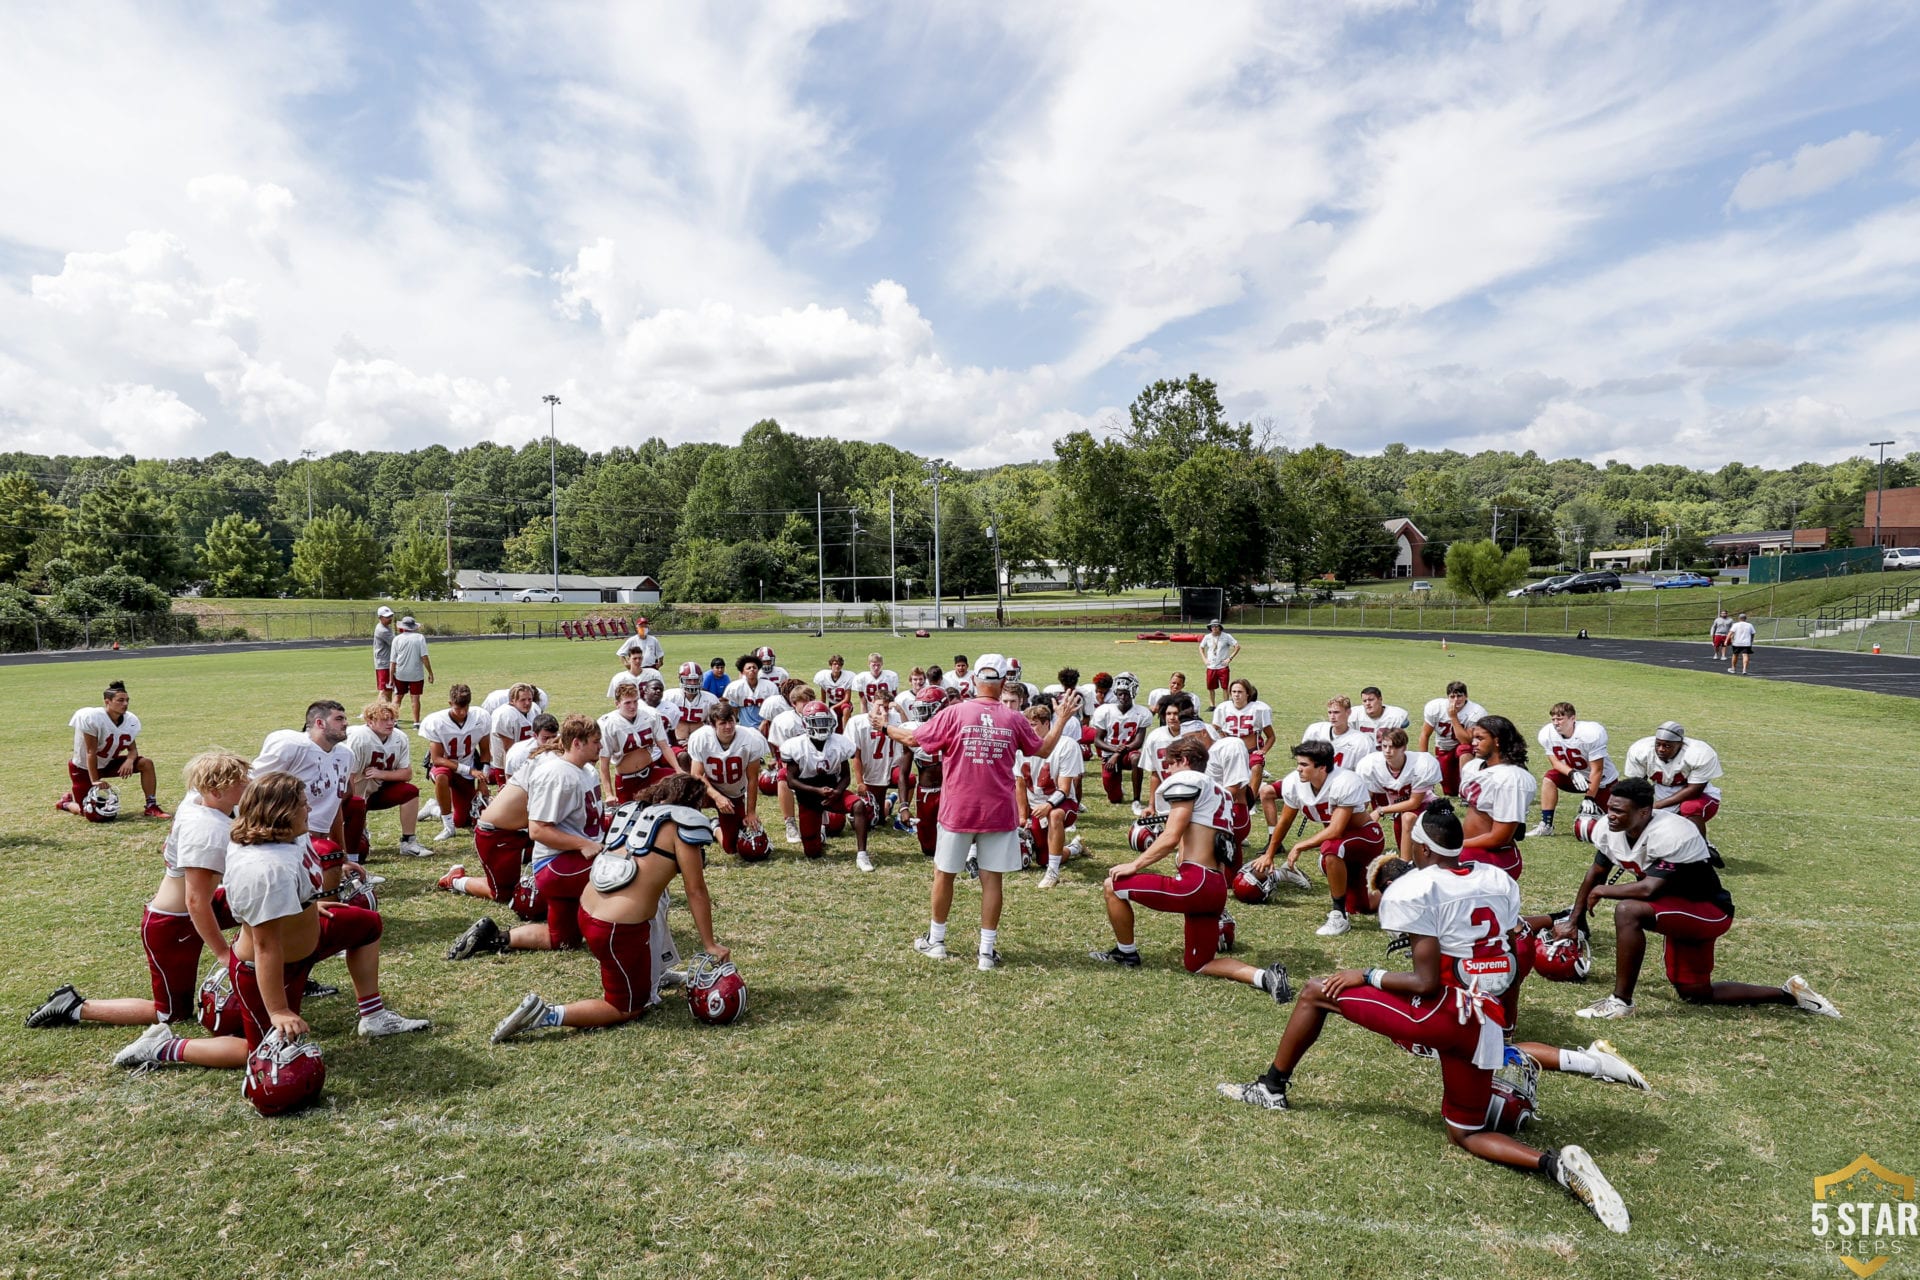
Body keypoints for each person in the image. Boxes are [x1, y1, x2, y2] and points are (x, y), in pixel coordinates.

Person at [1217, 801, 1630, 1236]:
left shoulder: (1414, 888)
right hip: (1484, 1017)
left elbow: (1425, 982)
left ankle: (1271, 1088)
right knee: (1465, 1131)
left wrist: (1368, 973)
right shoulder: (1495, 877)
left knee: (1315, 991)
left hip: (1443, 1011)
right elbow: (1506, 944)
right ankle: (1555, 1165)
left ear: (1424, 847)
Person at [28, 751, 253, 1073]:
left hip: (199, 908)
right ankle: (76, 1006)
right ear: (216, 791)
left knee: (268, 908)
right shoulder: (208, 829)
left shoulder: (201, 800)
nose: (248, 787)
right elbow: (194, 902)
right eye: (241, 783)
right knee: (171, 1013)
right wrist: (221, 952)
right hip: (173, 924)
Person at [1562, 779, 1839, 1022]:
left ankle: (1621, 1002)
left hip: (1707, 910)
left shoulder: (1673, 831)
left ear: (1644, 812)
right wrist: (1574, 920)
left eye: (1618, 810)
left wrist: (1602, 892)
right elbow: (1596, 873)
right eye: (1610, 808)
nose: (1610, 815)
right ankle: (1789, 995)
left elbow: (1648, 889)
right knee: (1695, 993)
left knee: (1628, 911)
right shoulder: (1608, 829)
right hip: (1673, 908)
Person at [879, 654, 1080, 972]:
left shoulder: (955, 712)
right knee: (991, 880)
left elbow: (914, 739)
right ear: (1002, 684)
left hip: (959, 809)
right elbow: (1043, 749)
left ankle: (938, 942)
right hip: (998, 812)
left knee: (944, 874)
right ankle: (986, 953)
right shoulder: (1014, 718)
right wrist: (1063, 719)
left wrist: (885, 727)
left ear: (974, 681)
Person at [491, 775, 729, 1043]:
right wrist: (710, 944)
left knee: (658, 899)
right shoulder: (681, 825)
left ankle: (656, 974)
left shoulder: (635, 812)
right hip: (615, 928)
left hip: (589, 910)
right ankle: (546, 1014)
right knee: (626, 1008)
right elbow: (695, 890)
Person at [221, 771, 428, 1050]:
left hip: (309, 938)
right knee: (261, 1055)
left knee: (367, 924)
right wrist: (279, 1011)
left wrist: (309, 905)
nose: (309, 808)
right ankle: (167, 1047)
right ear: (280, 812)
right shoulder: (264, 869)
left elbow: (297, 880)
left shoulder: (289, 835)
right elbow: (266, 945)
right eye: (302, 804)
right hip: (273, 967)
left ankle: (374, 1016)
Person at [1093, 735, 1291, 998]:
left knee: (1112, 886)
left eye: (1170, 764)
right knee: (1200, 964)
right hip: (1216, 886)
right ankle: (1265, 977)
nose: (1167, 770)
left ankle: (1125, 953)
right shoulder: (1220, 791)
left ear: (1184, 761)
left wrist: (1135, 864)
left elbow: (1172, 837)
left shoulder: (1188, 780)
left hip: (1194, 881)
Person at [447, 715, 605, 961]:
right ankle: (455, 881)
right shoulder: (555, 773)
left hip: (554, 849)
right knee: (618, 871)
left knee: (563, 940)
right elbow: (539, 830)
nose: (601, 746)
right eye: (596, 741)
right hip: (544, 854)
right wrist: (584, 843)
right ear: (576, 743)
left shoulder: (585, 770)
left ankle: (494, 937)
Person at [1250, 740, 1384, 937]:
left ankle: (1338, 916)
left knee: (1330, 849)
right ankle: (1394, 886)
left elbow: (1337, 829)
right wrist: (1269, 854)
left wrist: (1300, 846)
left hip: (1366, 837)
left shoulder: (1345, 781)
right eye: (1298, 763)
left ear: (1322, 767)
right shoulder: (1294, 783)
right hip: (1340, 844)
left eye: (1304, 765)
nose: (1298, 769)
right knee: (1362, 906)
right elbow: (1285, 821)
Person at [437, 712, 557, 904]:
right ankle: (456, 880)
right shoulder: (521, 754)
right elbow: (510, 789)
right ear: (534, 735)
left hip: (527, 825)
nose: (550, 743)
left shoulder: (562, 763)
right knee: (504, 895)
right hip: (505, 830)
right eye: (546, 738)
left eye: (554, 738)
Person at [253, 701, 353, 896]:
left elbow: (335, 806)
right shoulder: (294, 746)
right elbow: (254, 788)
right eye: (339, 719)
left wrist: (344, 856)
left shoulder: (345, 754)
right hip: (283, 837)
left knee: (330, 854)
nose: (346, 723)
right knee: (327, 855)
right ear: (320, 723)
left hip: (316, 838)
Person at [782, 701, 874, 868]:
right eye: (817, 722)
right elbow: (791, 781)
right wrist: (817, 791)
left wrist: (838, 792)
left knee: (859, 805)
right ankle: (819, 835)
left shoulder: (839, 742)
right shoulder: (796, 745)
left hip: (832, 791)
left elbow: (846, 775)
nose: (822, 726)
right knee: (812, 853)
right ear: (806, 723)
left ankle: (862, 855)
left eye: (825, 721)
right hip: (808, 795)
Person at [60, 679, 166, 819]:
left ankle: (151, 805)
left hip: (108, 762)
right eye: (120, 700)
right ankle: (65, 804)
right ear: (107, 701)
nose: (125, 704)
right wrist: (95, 780)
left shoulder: (130, 720)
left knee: (146, 763)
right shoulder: (93, 717)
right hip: (84, 767)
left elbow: (132, 749)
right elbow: (90, 752)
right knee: (88, 812)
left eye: (127, 700)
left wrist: (129, 760)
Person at [1458, 714, 1537, 881]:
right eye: (1474, 738)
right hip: (1470, 848)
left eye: (1480, 738)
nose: (1474, 743)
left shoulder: (1511, 779)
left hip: (1495, 857)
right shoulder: (1474, 766)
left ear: (1497, 740)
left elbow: (1499, 838)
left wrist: (1456, 845)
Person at [686, 701, 767, 857]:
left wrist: (750, 812)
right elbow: (696, 776)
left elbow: (752, 779)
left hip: (733, 793)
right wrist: (717, 797)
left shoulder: (750, 738)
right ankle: (692, 836)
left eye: (731, 721)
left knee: (731, 848)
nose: (728, 726)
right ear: (713, 725)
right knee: (689, 794)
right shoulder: (701, 738)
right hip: (707, 789)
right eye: (723, 723)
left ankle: (715, 826)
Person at [344, 700, 424, 859]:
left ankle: (408, 841)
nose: (390, 723)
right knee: (359, 854)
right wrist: (355, 810)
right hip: (355, 796)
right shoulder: (359, 738)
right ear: (370, 721)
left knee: (410, 791)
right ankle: (359, 833)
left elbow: (407, 773)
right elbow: (349, 777)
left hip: (379, 789)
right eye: (384, 719)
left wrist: (381, 774)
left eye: (392, 719)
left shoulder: (399, 737)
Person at [1622, 721, 1724, 845]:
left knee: (1689, 808)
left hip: (1699, 796)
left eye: (1667, 746)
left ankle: (1701, 848)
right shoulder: (1641, 750)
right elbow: (1636, 785)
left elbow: (1695, 790)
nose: (1661, 749)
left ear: (1680, 744)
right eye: (1658, 744)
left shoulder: (1698, 752)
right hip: (1661, 792)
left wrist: (1657, 806)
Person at [1019, 703, 1085, 889]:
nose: (1028, 729)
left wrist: (1048, 805)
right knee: (1042, 859)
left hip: (1062, 804)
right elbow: (1020, 784)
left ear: (1047, 723)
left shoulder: (1066, 745)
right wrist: (1022, 817)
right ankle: (1074, 849)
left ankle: (1053, 873)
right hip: (1036, 808)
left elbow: (1064, 788)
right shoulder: (1020, 747)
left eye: (1033, 724)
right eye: (1027, 725)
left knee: (1054, 815)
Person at [1529, 702, 1617, 838]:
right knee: (1549, 778)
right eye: (1553, 719)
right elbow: (1555, 762)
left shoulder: (1589, 734)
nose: (1556, 723)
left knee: (1606, 825)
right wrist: (1572, 773)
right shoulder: (1547, 734)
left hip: (1602, 781)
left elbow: (1597, 770)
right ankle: (1546, 825)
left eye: (1560, 719)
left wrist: (1589, 797)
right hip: (1575, 777)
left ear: (1572, 718)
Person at [1354, 728, 1443, 857]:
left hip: (1425, 807)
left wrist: (1380, 810)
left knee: (1408, 818)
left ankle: (1404, 867)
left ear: (1404, 748)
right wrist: (1359, 818)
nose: (1388, 751)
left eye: (1393, 747)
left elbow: (1414, 803)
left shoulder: (1421, 763)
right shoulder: (1371, 764)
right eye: (1384, 746)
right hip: (1398, 810)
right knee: (1407, 845)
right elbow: (1366, 797)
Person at [420, 684, 493, 841]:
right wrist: (470, 770)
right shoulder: (436, 721)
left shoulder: (480, 717)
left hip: (467, 769)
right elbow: (437, 759)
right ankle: (448, 827)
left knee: (463, 820)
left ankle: (433, 808)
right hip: (445, 767)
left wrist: (483, 778)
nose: (462, 712)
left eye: (465, 708)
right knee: (441, 776)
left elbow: (486, 751)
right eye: (457, 708)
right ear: (449, 704)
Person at [598, 681, 678, 803]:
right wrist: (609, 794)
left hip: (651, 772)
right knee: (631, 817)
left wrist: (678, 769)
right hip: (627, 780)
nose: (633, 706)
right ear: (617, 704)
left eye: (635, 701)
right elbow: (604, 764)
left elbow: (664, 746)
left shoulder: (650, 715)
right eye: (627, 703)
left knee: (682, 784)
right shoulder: (608, 724)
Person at [1091, 674, 1154, 806]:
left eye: (1126, 693)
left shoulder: (1142, 713)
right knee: (1114, 798)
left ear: (1133, 693)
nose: (1123, 697)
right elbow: (1097, 740)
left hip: (1128, 754)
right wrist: (1114, 751)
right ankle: (1118, 789)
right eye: (1120, 694)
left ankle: (1136, 800)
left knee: (1136, 758)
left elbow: (1138, 742)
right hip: (1109, 754)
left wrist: (1117, 753)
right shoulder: (1105, 711)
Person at [1419, 680, 1486, 797]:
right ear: (1447, 697)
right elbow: (1425, 734)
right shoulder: (1436, 708)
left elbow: (1466, 741)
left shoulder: (1475, 712)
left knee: (1464, 748)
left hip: (1467, 751)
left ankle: (1467, 790)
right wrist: (1424, 759)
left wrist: (1453, 717)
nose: (1456, 700)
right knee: (1451, 791)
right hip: (1444, 749)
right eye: (1452, 696)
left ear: (1466, 696)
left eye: (1459, 696)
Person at [1302, 695, 1376, 769]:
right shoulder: (1315, 731)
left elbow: (1367, 771)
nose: (1332, 716)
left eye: (1336, 712)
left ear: (1348, 712)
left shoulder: (1362, 742)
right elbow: (1304, 761)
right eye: (1330, 712)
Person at [487, 684, 540, 783]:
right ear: (512, 700)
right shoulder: (504, 714)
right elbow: (508, 748)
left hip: (529, 760)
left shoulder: (535, 710)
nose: (527, 703)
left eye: (530, 699)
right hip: (506, 763)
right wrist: (509, 774)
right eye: (523, 700)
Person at [664, 661, 723, 748]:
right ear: (680, 679)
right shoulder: (669, 697)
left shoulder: (710, 699)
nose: (692, 683)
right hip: (674, 741)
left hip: (701, 742)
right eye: (689, 680)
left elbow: (717, 724)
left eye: (695, 680)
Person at [388, 616, 434, 727]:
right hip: (416, 673)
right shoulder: (419, 638)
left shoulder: (397, 639)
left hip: (400, 673)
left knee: (398, 697)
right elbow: (424, 657)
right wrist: (430, 672)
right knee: (415, 698)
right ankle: (416, 722)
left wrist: (390, 678)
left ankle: (393, 721)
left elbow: (392, 661)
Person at [723, 656, 781, 730]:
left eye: (754, 667)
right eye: (749, 668)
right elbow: (734, 711)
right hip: (744, 727)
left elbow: (773, 710)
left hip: (765, 727)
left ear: (758, 670)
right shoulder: (736, 687)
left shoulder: (769, 686)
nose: (752, 669)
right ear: (742, 672)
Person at [1199, 619, 1240, 710]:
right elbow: (1201, 647)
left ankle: (1226, 705)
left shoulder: (1226, 636)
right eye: (1212, 626)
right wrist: (1204, 659)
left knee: (1225, 687)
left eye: (1216, 626)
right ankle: (1212, 705)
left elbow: (1237, 646)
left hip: (1222, 666)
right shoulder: (1207, 637)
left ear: (1220, 627)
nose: (1214, 628)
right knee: (1210, 687)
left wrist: (1230, 658)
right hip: (1211, 666)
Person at [372, 606, 396, 705]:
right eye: (387, 617)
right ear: (380, 617)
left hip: (386, 662)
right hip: (384, 663)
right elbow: (395, 642)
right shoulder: (382, 630)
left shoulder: (386, 627)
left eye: (390, 616)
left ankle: (387, 710)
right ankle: (375, 712)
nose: (390, 618)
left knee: (388, 689)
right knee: (385, 690)